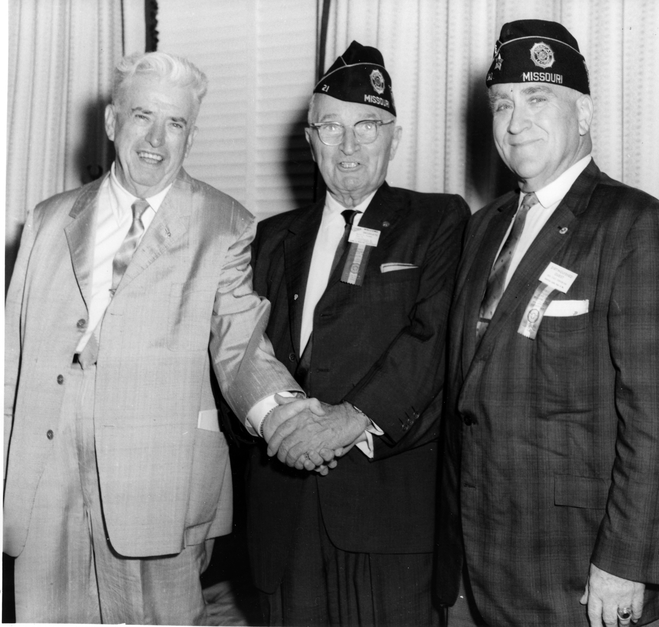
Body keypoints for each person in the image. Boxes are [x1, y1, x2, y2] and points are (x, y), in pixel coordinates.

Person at [3, 51, 307, 624]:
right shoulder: (47, 219)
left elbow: (239, 347)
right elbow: (9, 359)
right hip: (44, 470)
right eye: (143, 116)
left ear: (191, 136)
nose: (156, 140)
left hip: (157, 478)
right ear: (113, 122)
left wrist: (285, 415)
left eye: (176, 123)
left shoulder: (225, 223)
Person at [435, 20, 659, 627]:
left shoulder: (636, 226)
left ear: (583, 114)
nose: (515, 121)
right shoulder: (484, 229)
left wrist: (627, 563)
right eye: (502, 104)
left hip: (587, 572)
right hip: (489, 561)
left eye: (539, 99)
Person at [246, 41, 470, 626]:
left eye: (367, 126)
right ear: (310, 139)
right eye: (331, 126)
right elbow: (236, 355)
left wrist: (349, 421)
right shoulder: (268, 239)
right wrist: (282, 427)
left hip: (389, 521)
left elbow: (435, 342)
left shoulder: (440, 221)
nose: (349, 146)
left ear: (395, 137)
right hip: (284, 513)